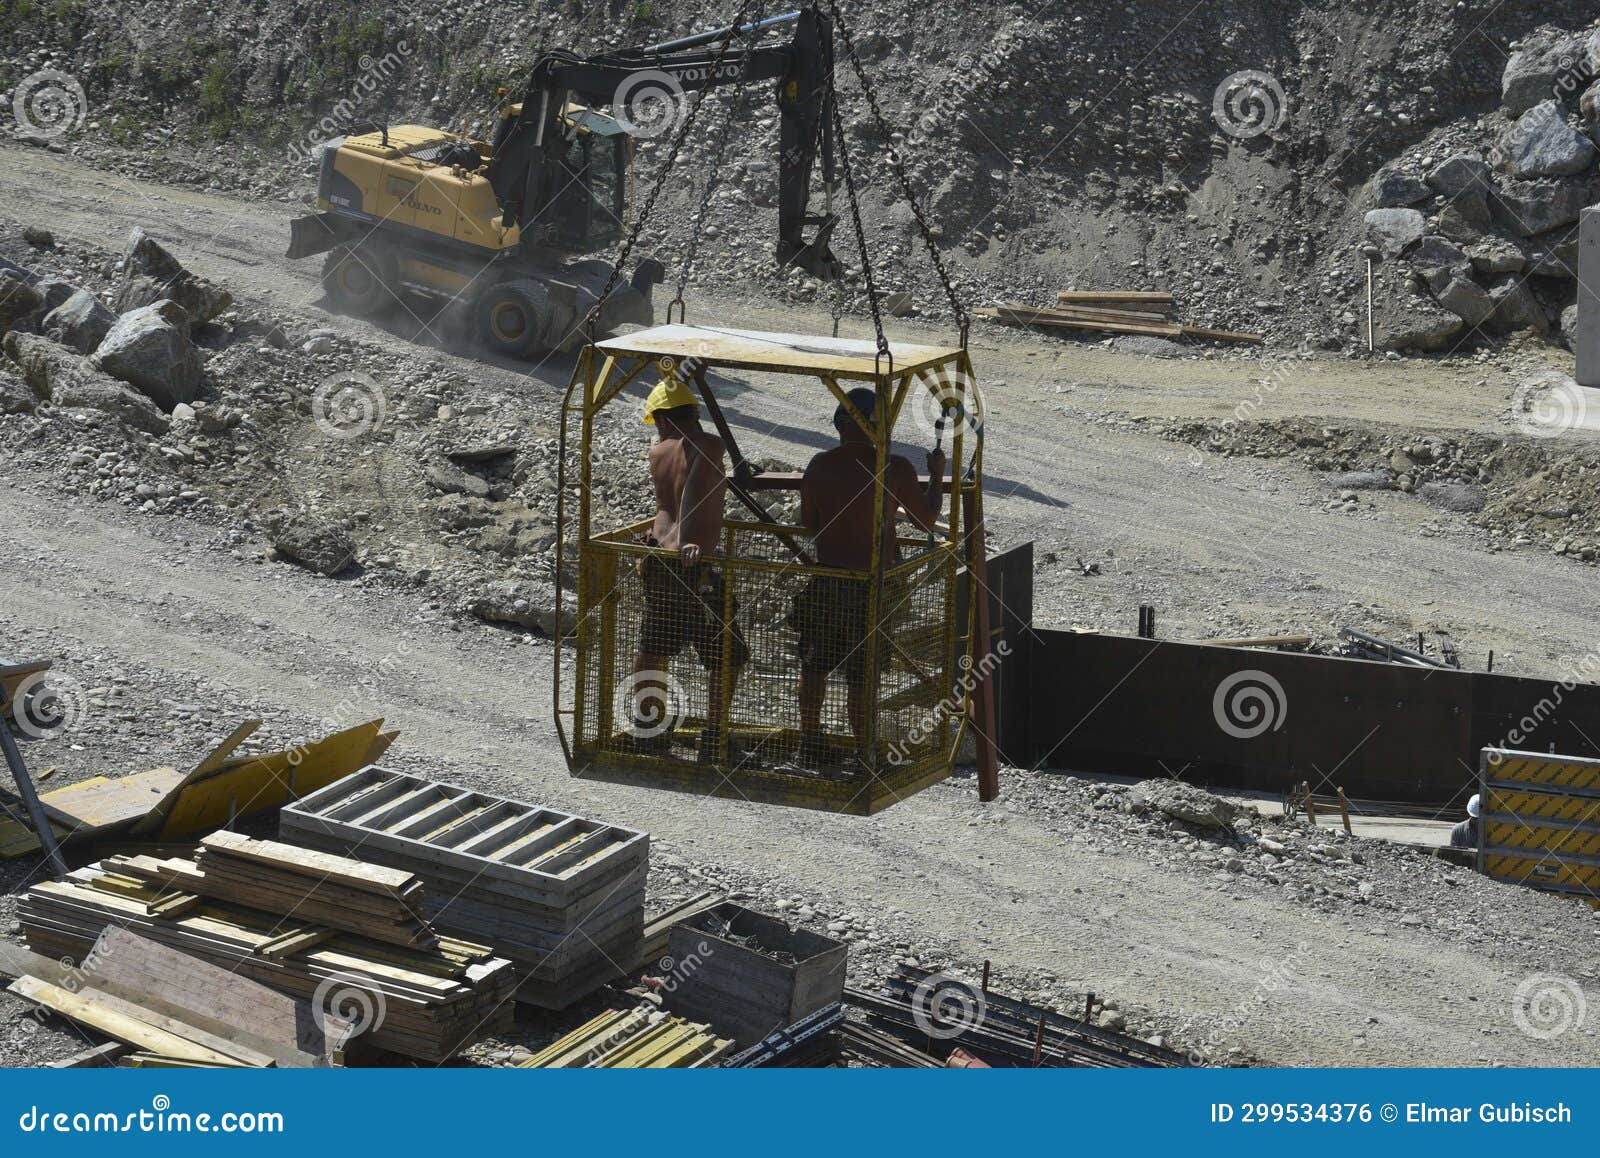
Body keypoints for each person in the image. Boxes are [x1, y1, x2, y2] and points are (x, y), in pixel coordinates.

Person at [791, 386, 945, 771]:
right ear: (879, 426)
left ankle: (809, 743)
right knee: (862, 675)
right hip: (870, 590)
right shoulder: (894, 468)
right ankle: (865, 752)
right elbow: (925, 521)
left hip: (827, 582)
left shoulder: (820, 465)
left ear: (841, 424)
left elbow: (808, 524)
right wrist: (937, 478)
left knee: (814, 667)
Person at [632, 375, 749, 761]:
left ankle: (648, 730)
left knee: (655, 645)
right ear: (692, 414)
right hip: (689, 564)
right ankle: (716, 738)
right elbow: (694, 491)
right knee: (729, 652)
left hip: (660, 560)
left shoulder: (659, 451)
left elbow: (671, 500)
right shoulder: (707, 444)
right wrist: (687, 541)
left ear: (663, 419)